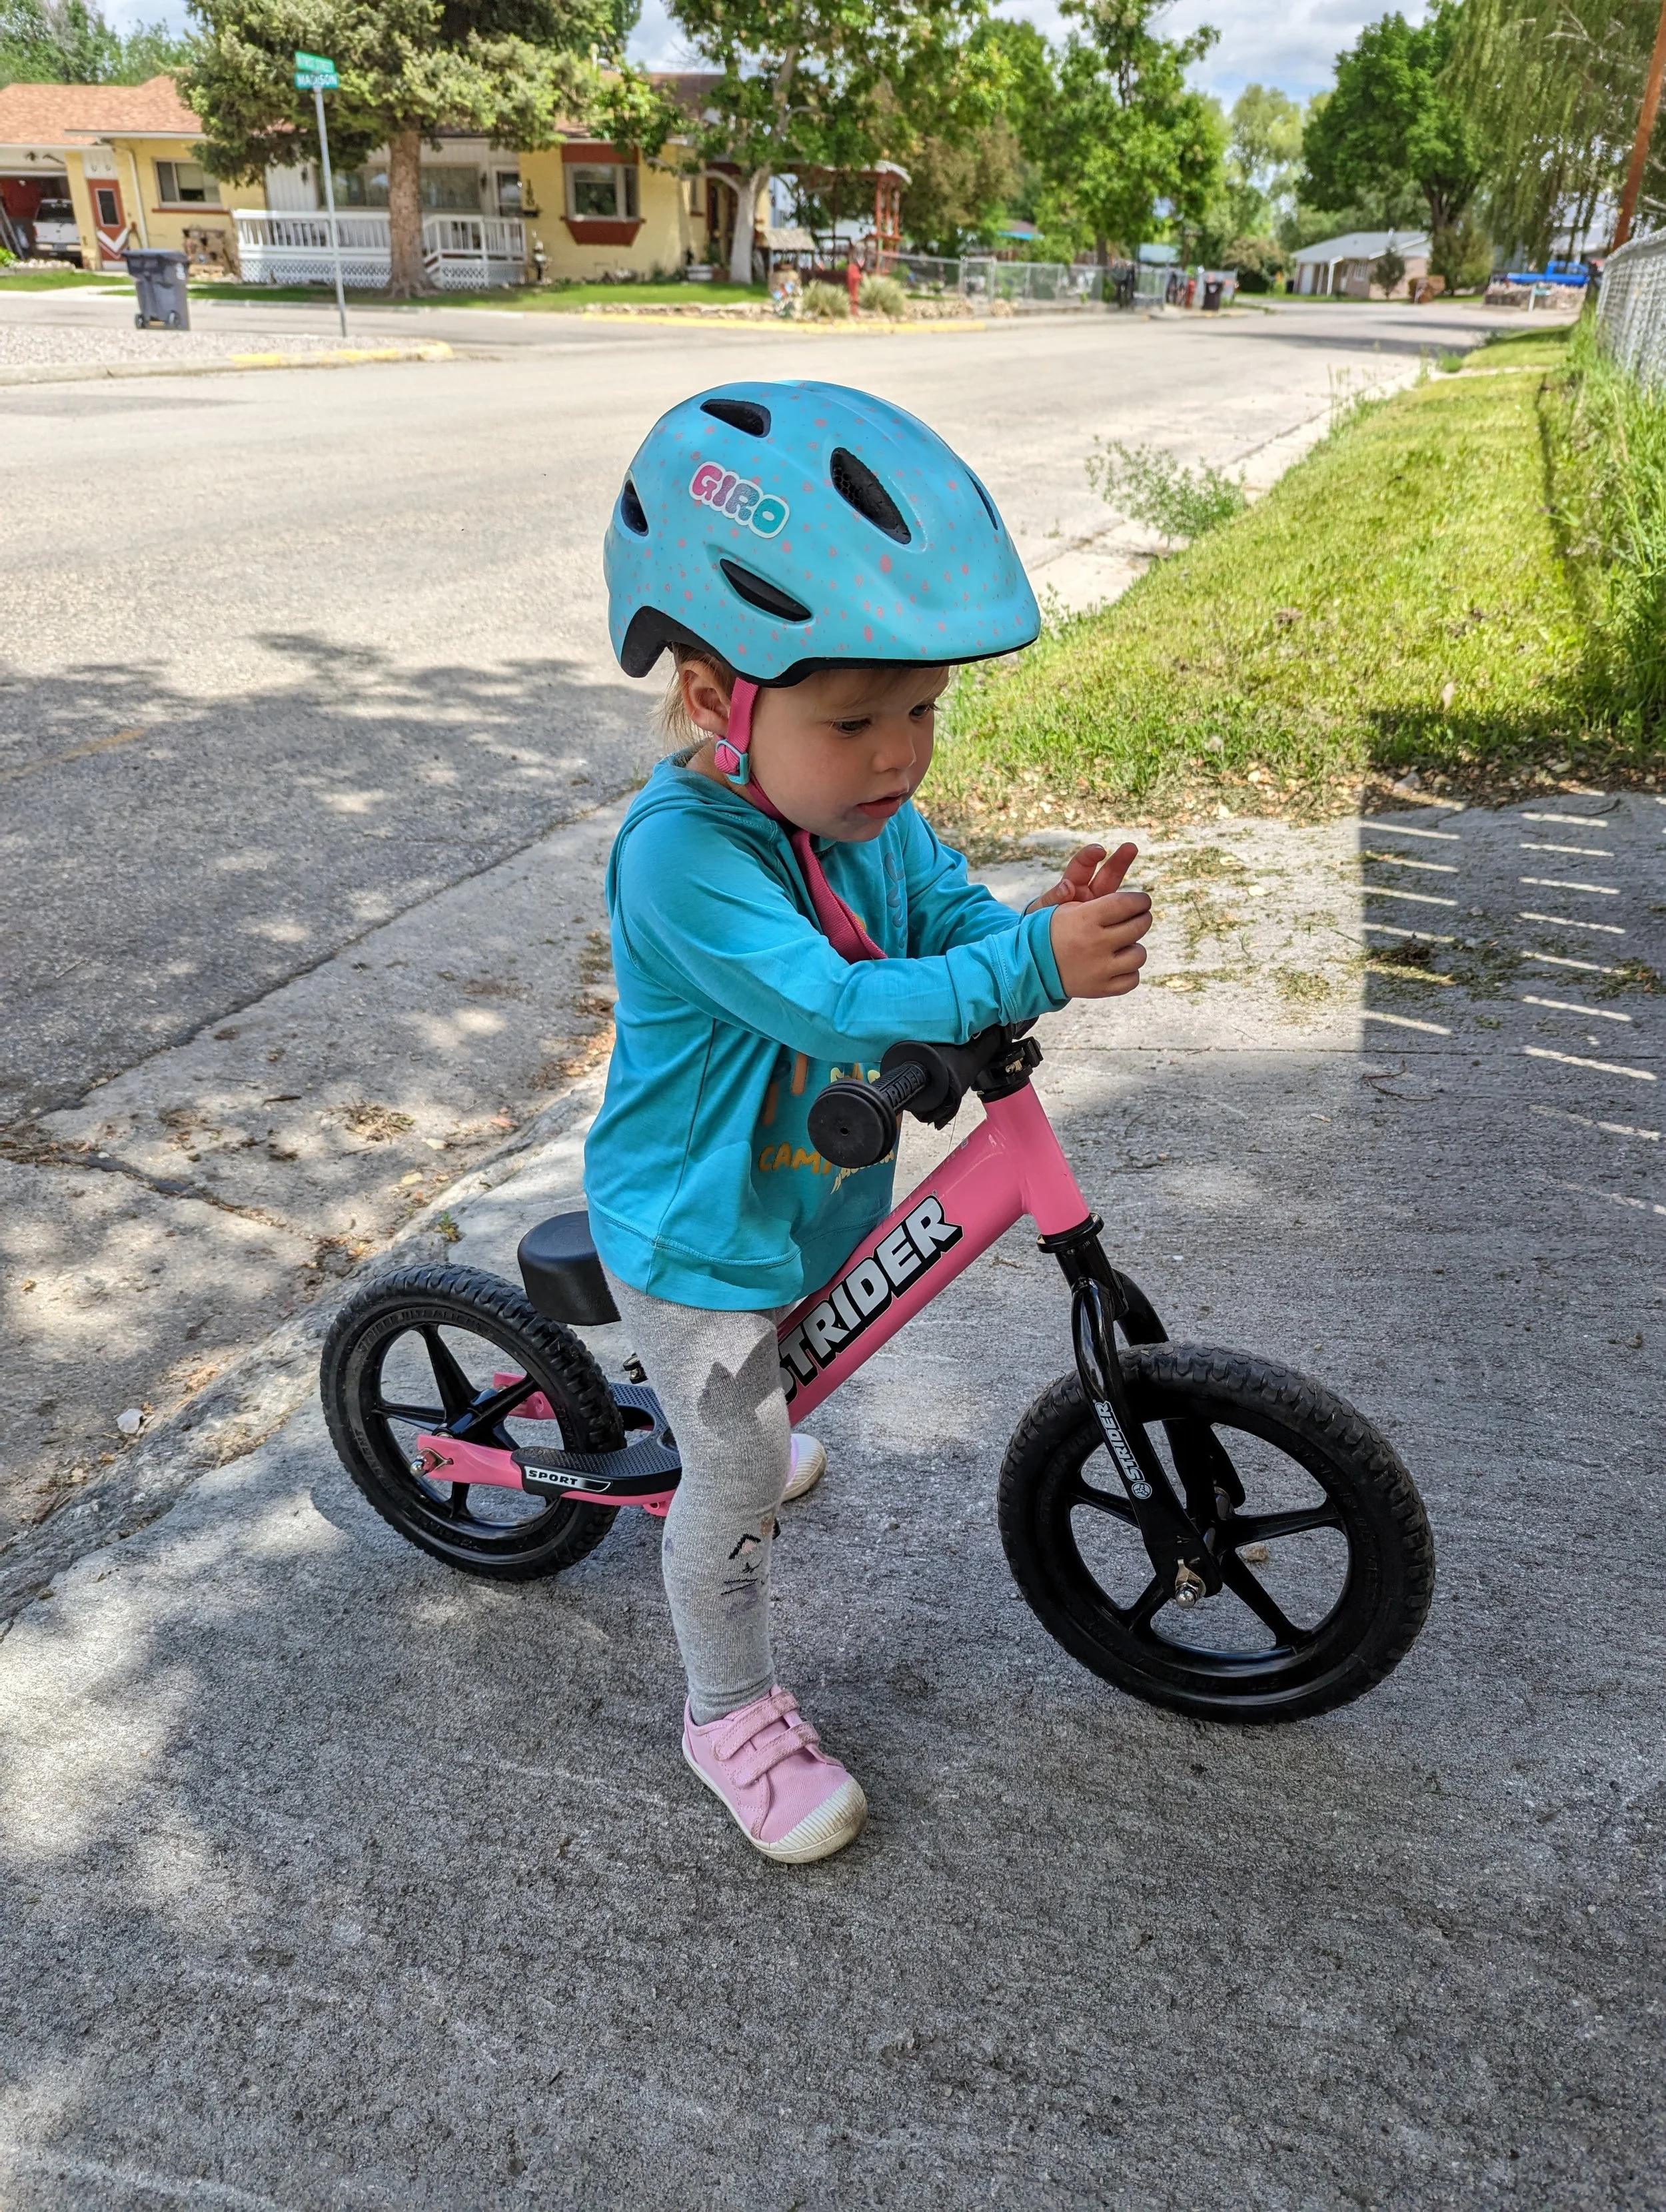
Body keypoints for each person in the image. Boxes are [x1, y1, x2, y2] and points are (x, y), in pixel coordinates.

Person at [587, 380, 1153, 1862]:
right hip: (695, 1230)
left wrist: (1027, 928)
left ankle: (745, 1429)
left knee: (768, 1405)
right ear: (715, 700)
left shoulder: (864, 821)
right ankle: (725, 1713)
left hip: (793, 1202)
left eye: (922, 713)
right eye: (854, 721)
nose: (899, 755)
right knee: (730, 1466)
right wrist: (1031, 969)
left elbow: (945, 913)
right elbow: (837, 1004)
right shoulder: (680, 859)